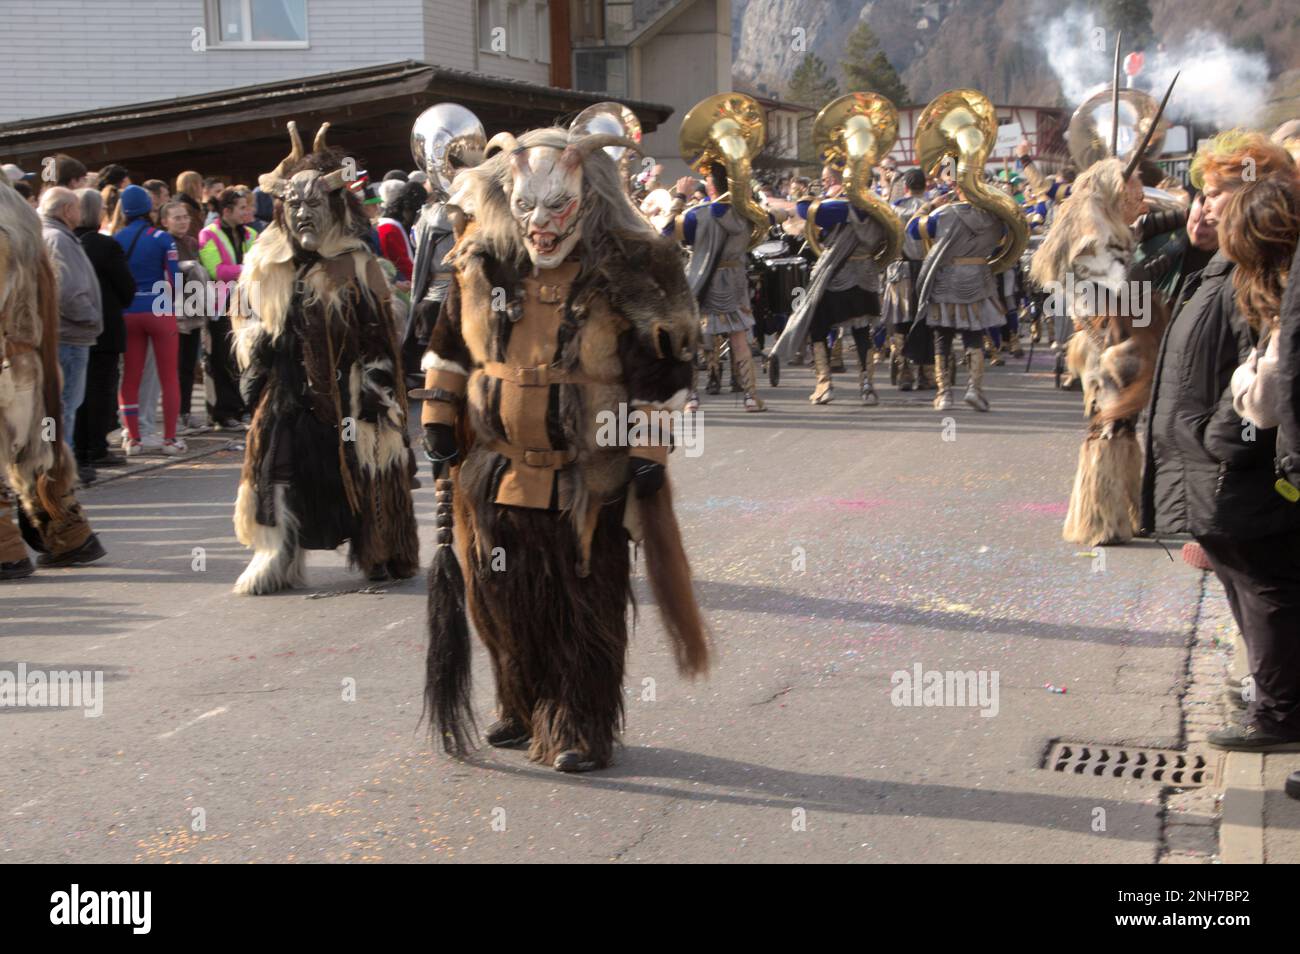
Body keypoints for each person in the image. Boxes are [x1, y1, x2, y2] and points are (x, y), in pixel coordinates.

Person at [415, 125, 708, 772]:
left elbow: (666, 373)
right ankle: (520, 707)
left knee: (585, 606)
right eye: (526, 207)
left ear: (590, 196)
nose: (540, 224)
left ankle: (578, 723)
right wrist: (439, 413)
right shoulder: (480, 259)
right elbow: (447, 347)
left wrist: (651, 455)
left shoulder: (633, 269)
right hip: (497, 477)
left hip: (590, 483)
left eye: (556, 206)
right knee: (505, 600)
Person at [1140, 131, 1300, 751]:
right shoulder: (1212, 259)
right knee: (1244, 581)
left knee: (1264, 584)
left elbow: (1269, 373)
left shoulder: (1262, 270)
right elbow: (1118, 283)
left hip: (1230, 463)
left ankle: (1281, 712)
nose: (1200, 208)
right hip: (1199, 457)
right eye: (1199, 196)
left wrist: (1226, 439)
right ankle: (1271, 696)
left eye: (1213, 195)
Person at [230, 121, 418, 595]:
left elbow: (383, 332)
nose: (302, 214)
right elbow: (247, 320)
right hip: (289, 389)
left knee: (371, 461)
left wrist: (377, 386)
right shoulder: (265, 262)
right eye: (293, 205)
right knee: (273, 467)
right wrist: (256, 350)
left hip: (350, 388)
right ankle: (277, 556)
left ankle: (383, 551)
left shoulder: (356, 261)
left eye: (313, 204)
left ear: (333, 206)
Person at [0, 179, 107, 578]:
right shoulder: (24, 232)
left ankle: (6, 551)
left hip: (6, 362)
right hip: (30, 362)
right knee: (37, 454)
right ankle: (71, 536)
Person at [771, 163, 891, 406]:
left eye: (829, 180)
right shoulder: (879, 208)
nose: (825, 184)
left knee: (818, 326)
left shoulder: (840, 207)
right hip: (866, 274)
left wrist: (825, 196)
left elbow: (806, 209)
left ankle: (824, 383)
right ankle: (867, 386)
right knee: (860, 331)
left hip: (837, 276)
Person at [669, 162, 767, 412]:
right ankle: (750, 397)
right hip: (734, 278)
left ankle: (691, 398)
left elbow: (666, 232)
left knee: (693, 339)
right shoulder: (746, 211)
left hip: (702, 278)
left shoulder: (696, 214)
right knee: (739, 338)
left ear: (711, 185)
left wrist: (681, 197)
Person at [910, 182, 1009, 412]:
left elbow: (913, 230)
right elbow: (1005, 242)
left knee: (942, 337)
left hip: (946, 280)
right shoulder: (995, 218)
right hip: (978, 279)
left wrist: (927, 206)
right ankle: (974, 389)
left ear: (960, 191)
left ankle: (944, 393)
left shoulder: (943, 214)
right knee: (973, 334)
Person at [114, 184, 184, 455]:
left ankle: (133, 439)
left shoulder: (117, 238)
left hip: (129, 311)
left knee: (130, 377)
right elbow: (176, 279)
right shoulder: (163, 238)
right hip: (159, 309)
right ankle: (170, 440)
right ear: (149, 208)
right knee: (169, 377)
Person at [72, 188, 136, 481]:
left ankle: (79, 447)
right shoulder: (105, 246)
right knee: (101, 388)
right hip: (105, 326)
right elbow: (126, 287)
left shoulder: (68, 242)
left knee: (77, 391)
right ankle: (95, 446)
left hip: (73, 328)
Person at [38, 187, 103, 443]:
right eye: (77, 206)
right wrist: (91, 318)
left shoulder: (47, 234)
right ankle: (57, 465)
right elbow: (68, 291)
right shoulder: (59, 239)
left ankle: (52, 462)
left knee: (54, 408)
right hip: (68, 336)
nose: (80, 212)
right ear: (67, 210)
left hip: (59, 334)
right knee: (64, 407)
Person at [198, 187, 256, 430]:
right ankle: (224, 412)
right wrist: (250, 268)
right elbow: (217, 271)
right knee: (223, 359)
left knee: (246, 358)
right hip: (220, 306)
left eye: (247, 207)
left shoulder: (251, 234)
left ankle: (245, 407)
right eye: (242, 208)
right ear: (226, 211)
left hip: (248, 303)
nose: (247, 212)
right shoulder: (207, 235)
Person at [883, 168, 933, 390]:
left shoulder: (894, 209)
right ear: (926, 185)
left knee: (900, 321)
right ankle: (926, 373)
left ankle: (904, 371)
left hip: (899, 270)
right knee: (926, 320)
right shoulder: (935, 208)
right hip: (927, 269)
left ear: (906, 187)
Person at [159, 200, 206, 433]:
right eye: (176, 218)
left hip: (193, 307)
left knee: (188, 363)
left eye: (185, 217)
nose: (182, 221)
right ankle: (174, 415)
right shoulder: (163, 241)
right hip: (172, 309)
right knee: (175, 365)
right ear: (165, 221)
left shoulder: (191, 242)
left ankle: (186, 412)